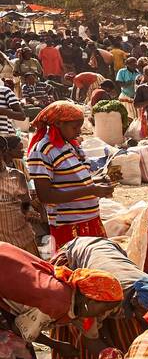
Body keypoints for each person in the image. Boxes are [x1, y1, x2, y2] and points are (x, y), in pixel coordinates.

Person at [0, 243, 123, 359]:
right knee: (10, 351)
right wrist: (57, 345)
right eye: (103, 309)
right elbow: (22, 331)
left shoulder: (68, 288)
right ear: (89, 300)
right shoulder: (56, 302)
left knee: (18, 347)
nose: (103, 316)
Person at [25, 101, 114, 250]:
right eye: (75, 127)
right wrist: (91, 190)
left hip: (90, 218)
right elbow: (45, 196)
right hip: (69, 226)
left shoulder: (70, 145)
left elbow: (73, 180)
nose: (79, 131)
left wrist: (98, 181)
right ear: (59, 123)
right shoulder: (42, 150)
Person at [0, 135, 42, 254]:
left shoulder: (17, 176)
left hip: (22, 240)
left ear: (3, 151)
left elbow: (26, 204)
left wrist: (29, 212)